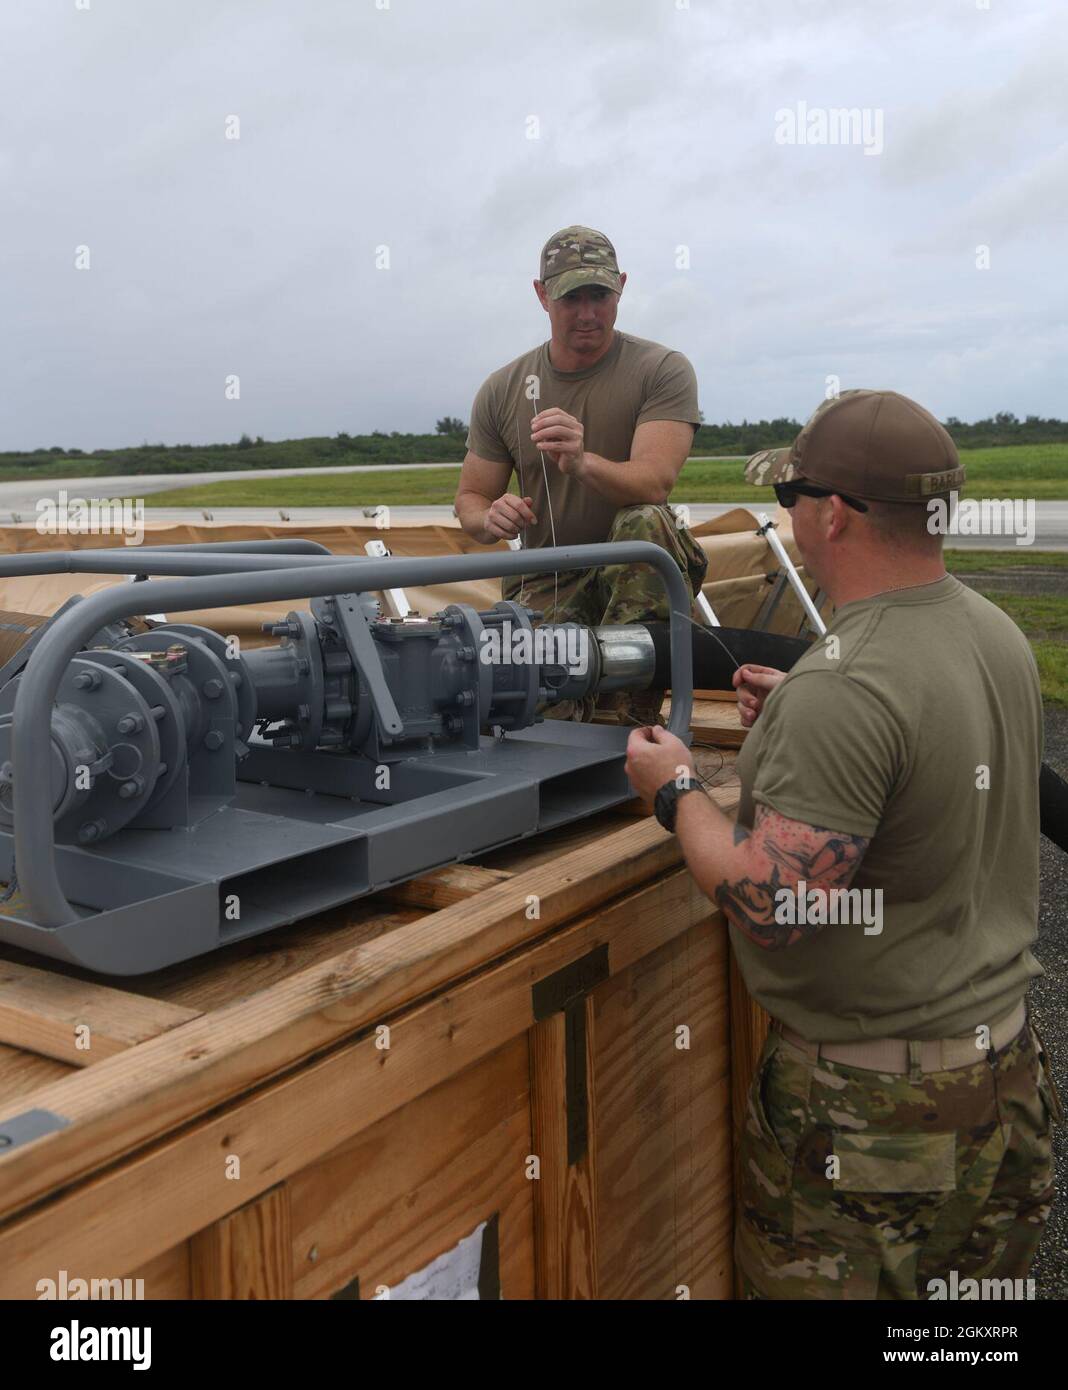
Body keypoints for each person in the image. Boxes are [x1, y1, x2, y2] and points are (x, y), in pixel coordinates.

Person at [624, 388, 1060, 1300]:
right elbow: (924, 762)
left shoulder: (847, 690)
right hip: (1004, 1082)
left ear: (830, 514)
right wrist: (804, 710)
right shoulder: (993, 635)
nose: (788, 516)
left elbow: (773, 905)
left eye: (788, 499)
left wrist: (676, 795)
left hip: (876, 1120)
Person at [454, 224, 708, 724]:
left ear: (621, 288)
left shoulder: (662, 369)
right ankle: (592, 691)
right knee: (531, 712)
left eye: (599, 295)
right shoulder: (503, 388)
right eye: (572, 298)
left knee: (643, 521)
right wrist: (491, 517)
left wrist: (581, 461)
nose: (588, 313)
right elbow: (470, 500)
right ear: (542, 295)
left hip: (636, 568)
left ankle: (635, 695)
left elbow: (654, 482)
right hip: (550, 576)